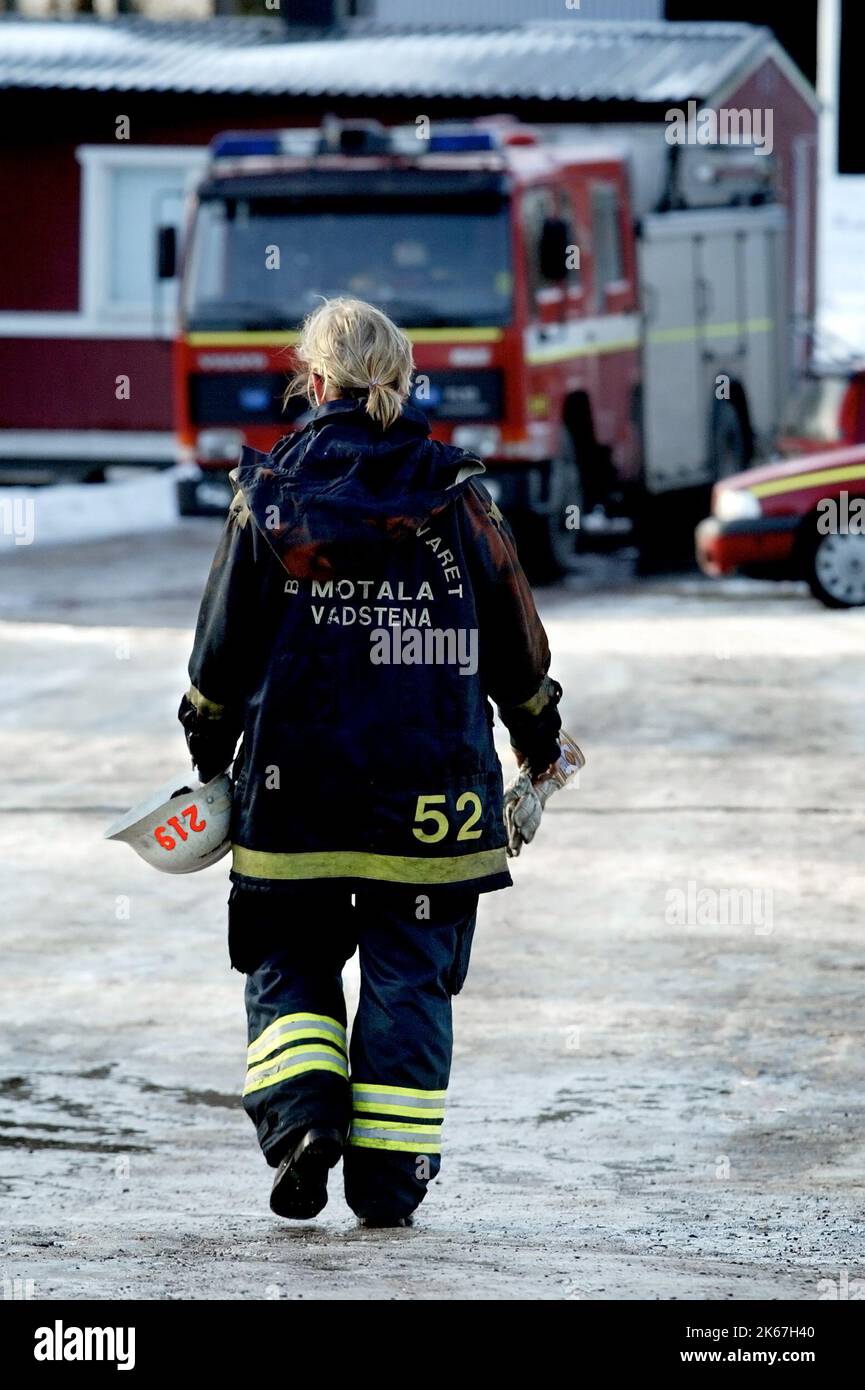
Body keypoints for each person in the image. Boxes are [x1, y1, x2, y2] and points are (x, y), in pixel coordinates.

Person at [178, 297, 566, 1227]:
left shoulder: (266, 497)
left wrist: (208, 750)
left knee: (287, 957)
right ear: (402, 380)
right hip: (431, 802)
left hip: (293, 794)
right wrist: (539, 742)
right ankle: (388, 1183)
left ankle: (306, 1120)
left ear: (314, 382)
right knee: (408, 976)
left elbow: (220, 659)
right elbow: (515, 646)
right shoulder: (458, 495)